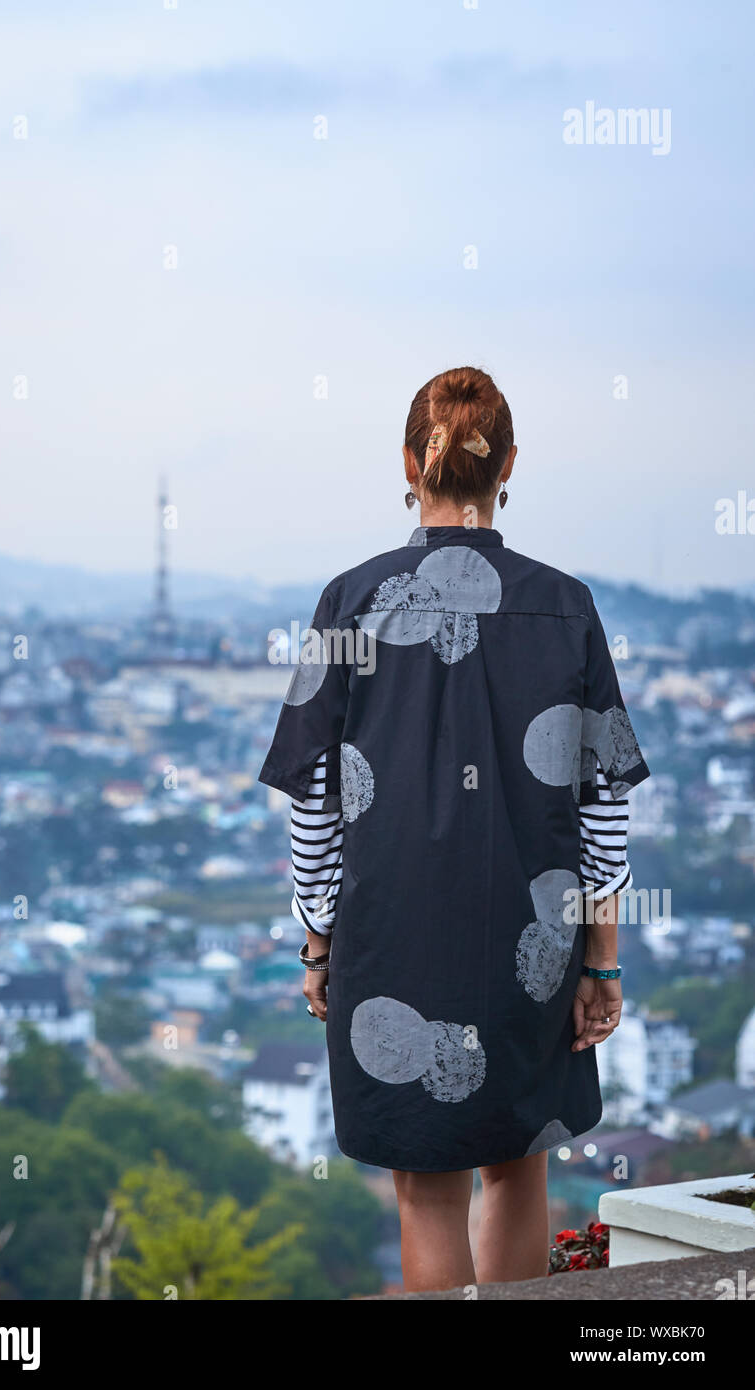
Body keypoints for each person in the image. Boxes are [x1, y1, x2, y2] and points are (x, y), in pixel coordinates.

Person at [258, 366, 649, 1292]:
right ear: (508, 465)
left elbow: (314, 797)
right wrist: (601, 961)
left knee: (424, 1188)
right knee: (519, 1166)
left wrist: (320, 938)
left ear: (408, 462)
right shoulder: (567, 607)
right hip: (535, 938)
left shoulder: (348, 602)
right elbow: (605, 808)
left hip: (390, 933)